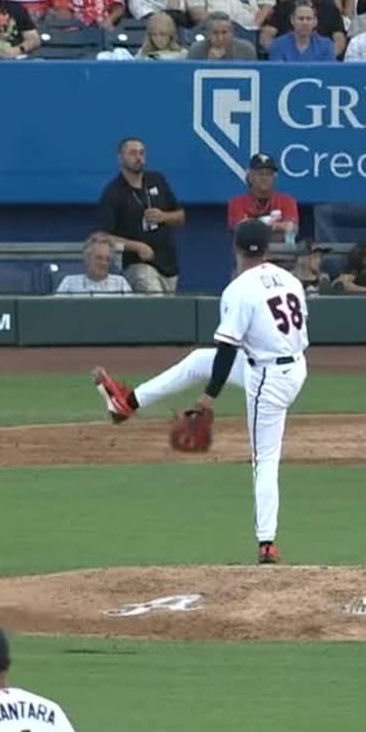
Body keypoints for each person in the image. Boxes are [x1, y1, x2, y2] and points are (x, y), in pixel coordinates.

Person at [93, 220, 309, 565]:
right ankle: (127, 403)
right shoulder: (291, 280)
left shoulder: (239, 289)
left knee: (265, 460)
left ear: (236, 248)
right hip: (292, 366)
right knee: (199, 360)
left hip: (267, 378)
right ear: (268, 249)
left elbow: (227, 349)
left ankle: (266, 542)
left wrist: (209, 397)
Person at [94, 137, 184, 295]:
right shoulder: (113, 192)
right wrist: (137, 246)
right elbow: (103, 236)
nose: (138, 158)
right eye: (133, 153)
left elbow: (181, 216)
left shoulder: (157, 180)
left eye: (142, 153)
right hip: (137, 264)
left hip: (168, 263)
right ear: (120, 157)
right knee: (154, 300)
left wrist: (164, 216)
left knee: (169, 310)